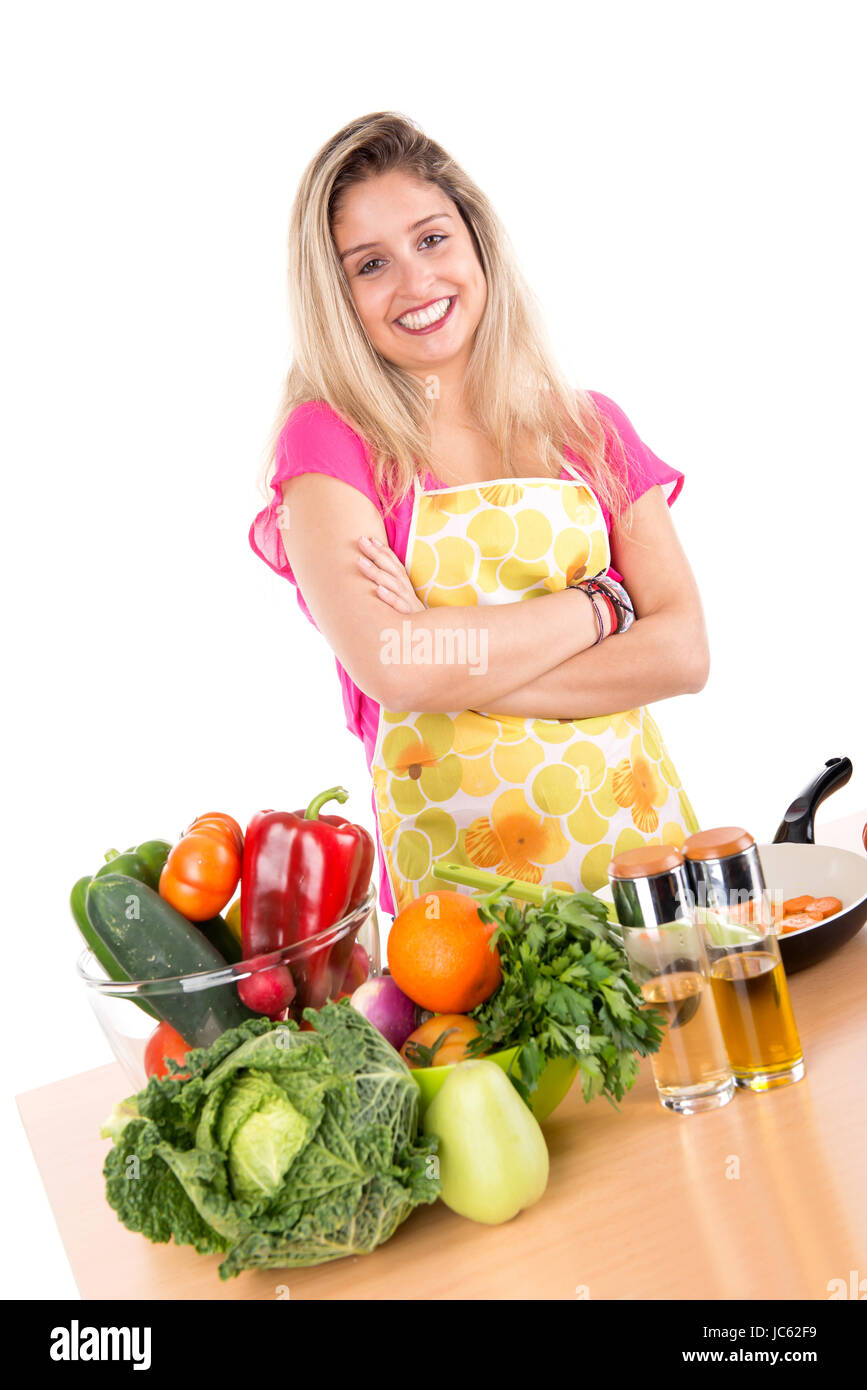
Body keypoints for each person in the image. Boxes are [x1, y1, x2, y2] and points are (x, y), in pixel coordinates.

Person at [249, 111, 709, 922]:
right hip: (466, 920)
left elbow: (681, 652)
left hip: (648, 867)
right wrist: (604, 606)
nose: (416, 283)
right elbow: (395, 668)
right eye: (370, 265)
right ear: (336, 296)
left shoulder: (587, 427)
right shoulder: (331, 442)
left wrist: (460, 670)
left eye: (431, 240)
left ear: (475, 240)